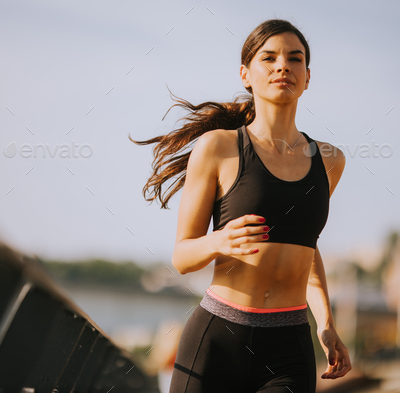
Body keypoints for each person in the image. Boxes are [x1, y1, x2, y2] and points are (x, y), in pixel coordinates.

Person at [130, 18, 351, 393]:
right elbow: (182, 257)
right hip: (217, 339)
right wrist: (219, 241)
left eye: (294, 59)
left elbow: (306, 248)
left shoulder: (329, 161)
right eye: (269, 58)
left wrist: (327, 324)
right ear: (246, 74)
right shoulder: (218, 148)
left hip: (289, 348)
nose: (283, 66)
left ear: (308, 77)